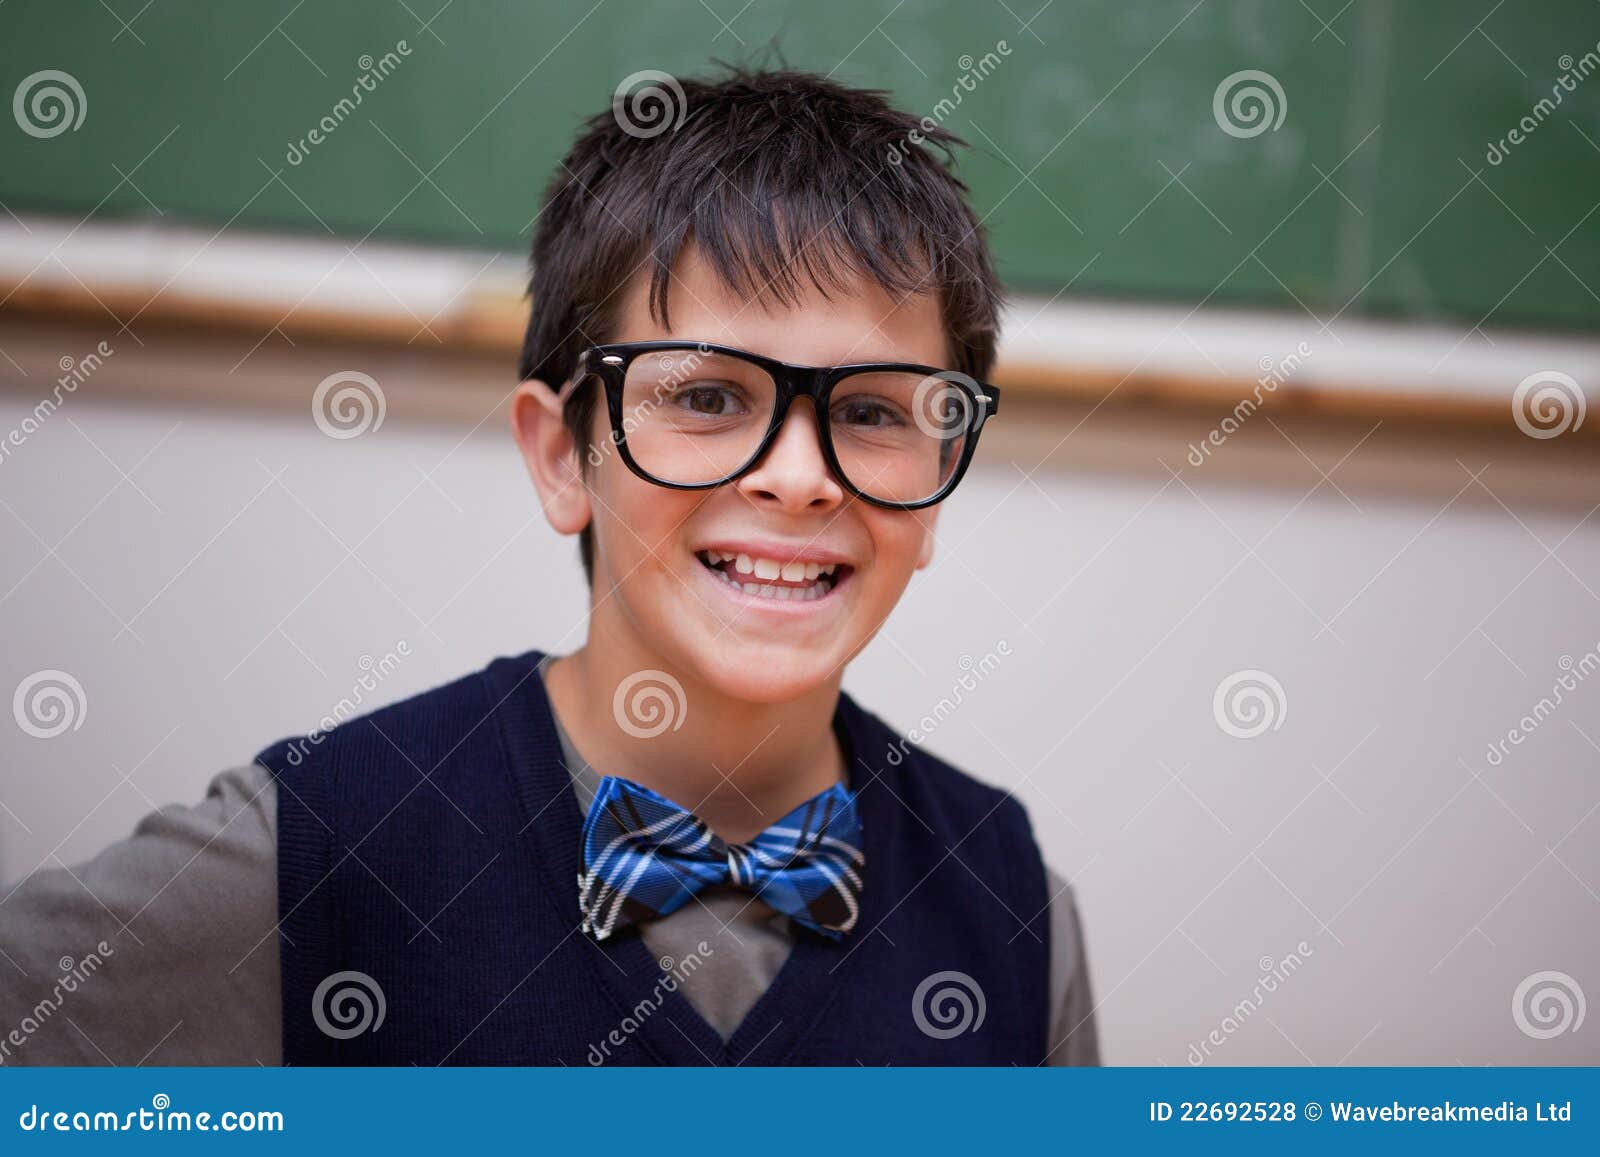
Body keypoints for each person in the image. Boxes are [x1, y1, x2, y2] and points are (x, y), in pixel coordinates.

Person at [0, 66, 1098, 1066]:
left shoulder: (1011, 908)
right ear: (560, 455)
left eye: (870, 412)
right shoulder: (313, 848)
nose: (801, 477)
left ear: (945, 468)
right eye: (708, 397)